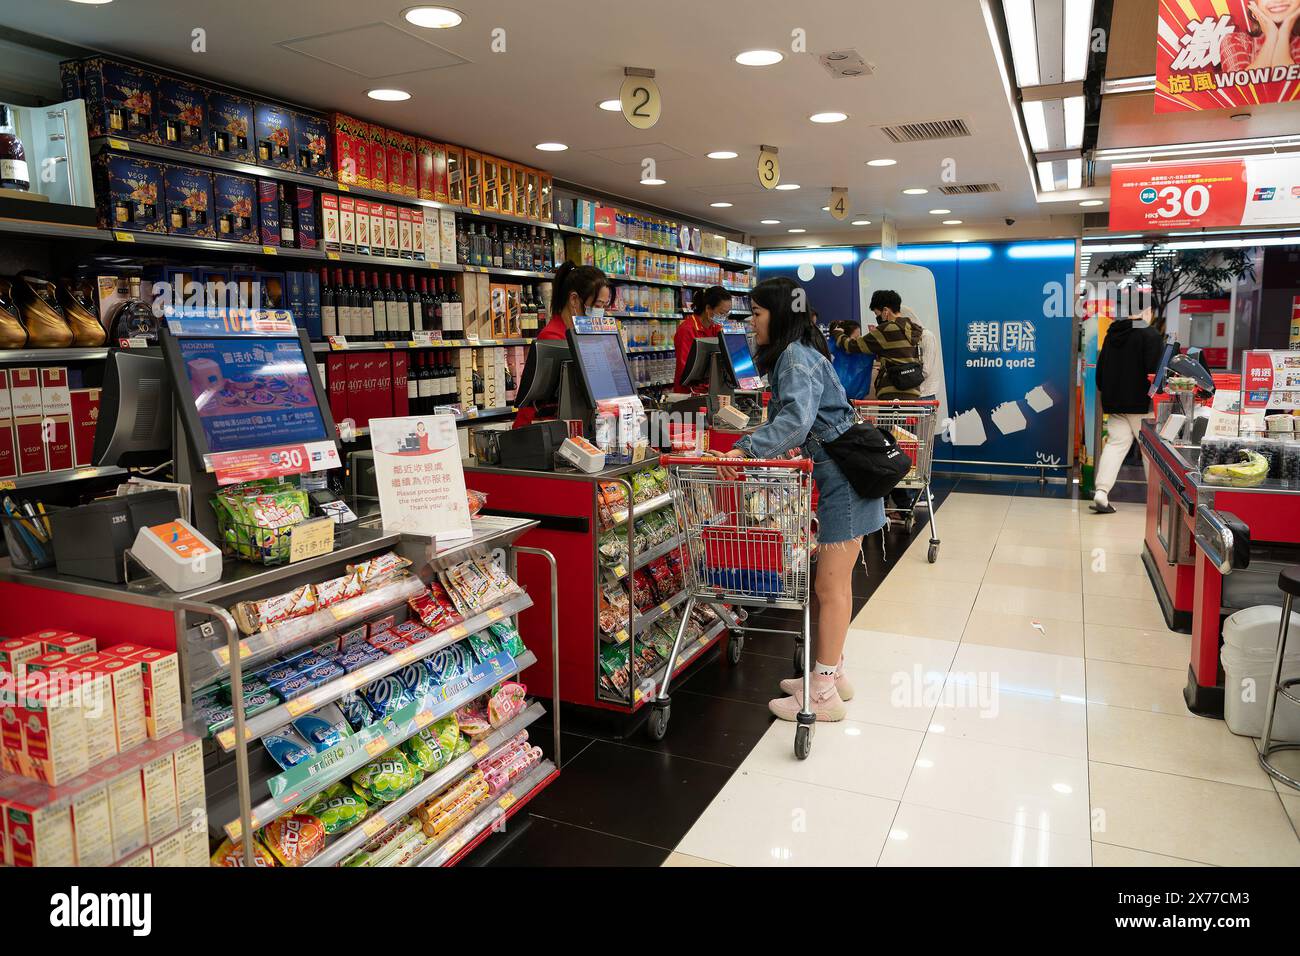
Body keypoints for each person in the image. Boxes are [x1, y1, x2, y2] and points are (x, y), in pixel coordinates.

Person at [715, 276, 886, 722]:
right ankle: (833, 672)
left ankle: (824, 693)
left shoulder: (793, 356)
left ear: (779, 313)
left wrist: (745, 449)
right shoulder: (806, 351)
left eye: (756, 314)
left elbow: (796, 419)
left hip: (843, 479)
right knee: (837, 584)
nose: (752, 324)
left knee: (829, 587)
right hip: (847, 473)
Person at [512, 261, 609, 428]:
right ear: (574, 300)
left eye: (604, 306)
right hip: (536, 432)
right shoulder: (554, 338)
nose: (601, 312)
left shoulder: (582, 335)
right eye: (598, 305)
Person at [1092, 312, 1164, 514]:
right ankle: (1155, 500)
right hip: (1141, 404)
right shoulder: (1150, 335)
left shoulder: (1112, 333)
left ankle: (1101, 491)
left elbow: (1100, 372)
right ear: (1144, 312)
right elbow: (1155, 373)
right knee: (1149, 451)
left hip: (1114, 403)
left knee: (1115, 445)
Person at [830, 289, 923, 401]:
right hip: (914, 392)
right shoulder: (913, 328)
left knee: (891, 419)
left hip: (892, 392)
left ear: (885, 311)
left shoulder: (886, 330)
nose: (878, 318)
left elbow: (852, 346)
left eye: (877, 314)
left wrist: (838, 334)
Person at [673, 286, 731, 391]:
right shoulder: (687, 330)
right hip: (688, 395)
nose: (724, 318)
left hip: (712, 389)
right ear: (708, 308)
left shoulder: (716, 328)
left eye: (727, 314)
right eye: (722, 313)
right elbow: (686, 371)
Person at [1222, 0, 1300, 70]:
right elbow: (1242, 85)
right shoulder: (1236, 41)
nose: (1278, 1)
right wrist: (1271, 36)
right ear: (1253, 4)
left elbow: (1291, 84)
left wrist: (1284, 33)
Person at [825, 317, 875, 401]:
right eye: (855, 338)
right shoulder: (831, 351)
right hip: (835, 401)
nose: (857, 342)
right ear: (844, 339)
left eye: (860, 337)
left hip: (857, 402)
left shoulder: (865, 353)